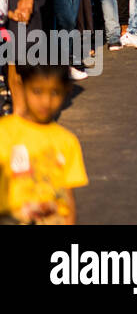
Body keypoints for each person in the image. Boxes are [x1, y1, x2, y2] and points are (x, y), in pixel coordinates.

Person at [0, 65, 87, 223]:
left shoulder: (66, 141)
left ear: (66, 91)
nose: (46, 102)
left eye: (54, 93)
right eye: (37, 91)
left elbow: (67, 196)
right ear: (22, 86)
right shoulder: (4, 133)